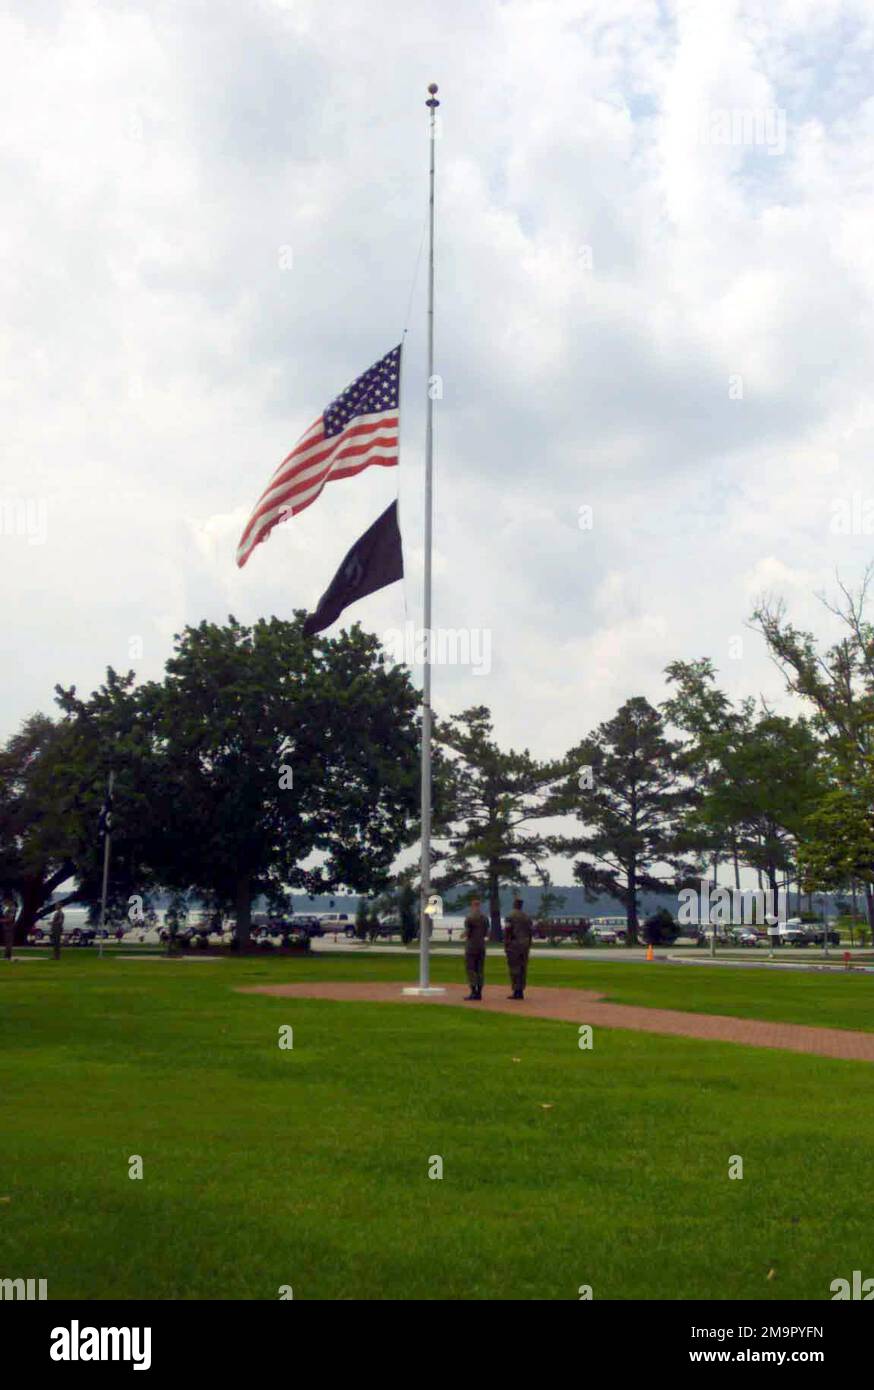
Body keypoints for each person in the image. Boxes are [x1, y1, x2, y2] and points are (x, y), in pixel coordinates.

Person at [504, 897, 534, 1000]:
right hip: (525, 945)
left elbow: (508, 930)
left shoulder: (510, 915)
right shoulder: (526, 917)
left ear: (514, 904)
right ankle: (521, 990)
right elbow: (530, 932)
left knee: (514, 967)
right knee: (523, 968)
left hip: (514, 944)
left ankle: (516, 990)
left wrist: (506, 943)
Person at [463, 894, 489, 1001]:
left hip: (471, 946)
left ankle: (473, 991)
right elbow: (486, 932)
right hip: (481, 945)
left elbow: (468, 932)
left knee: (471, 969)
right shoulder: (485, 918)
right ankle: (479, 992)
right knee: (480, 969)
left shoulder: (469, 918)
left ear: (472, 906)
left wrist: (464, 935)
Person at [2, 895, 16, 962]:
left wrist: (2, 920)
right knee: (7, 941)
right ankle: (6, 955)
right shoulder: (7, 908)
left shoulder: (12, 908)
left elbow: (10, 919)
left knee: (9, 942)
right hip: (6, 927)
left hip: (9, 927)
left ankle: (8, 955)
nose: (4, 902)